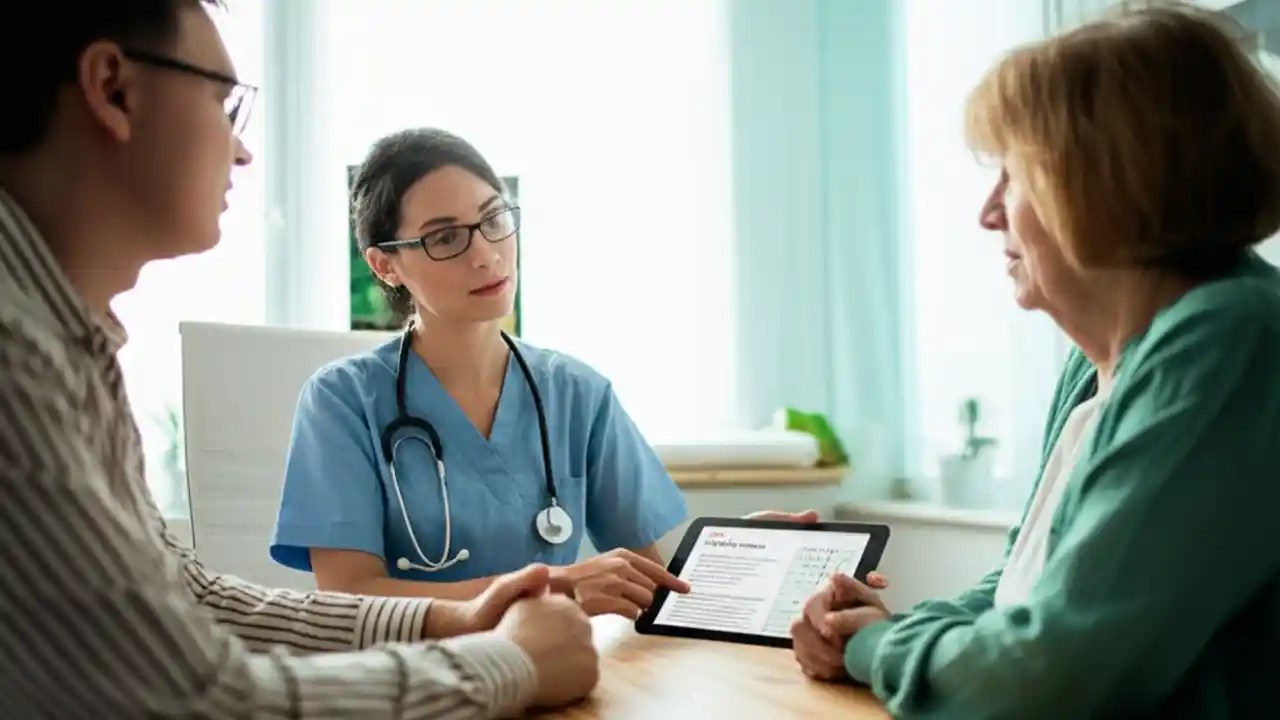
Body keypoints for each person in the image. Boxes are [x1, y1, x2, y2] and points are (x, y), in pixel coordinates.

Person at [0, 2, 600, 717]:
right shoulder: (16, 356)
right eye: (223, 102)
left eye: (492, 220)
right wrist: (509, 662)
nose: (243, 150)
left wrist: (449, 620)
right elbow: (198, 700)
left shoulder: (72, 342)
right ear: (113, 88)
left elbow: (190, 594)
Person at [791, 5, 1280, 718]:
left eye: (1012, 177)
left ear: (1105, 182)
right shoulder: (1094, 370)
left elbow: (1041, 680)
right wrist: (886, 629)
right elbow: (1028, 590)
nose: (990, 214)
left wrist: (879, 648)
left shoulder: (1228, 338)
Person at [268, 126, 816, 618]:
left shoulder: (578, 394)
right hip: (411, 687)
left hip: (552, 679)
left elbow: (653, 583)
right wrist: (555, 588)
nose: (486, 255)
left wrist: (752, 559)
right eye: (444, 237)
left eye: (493, 219)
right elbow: (347, 598)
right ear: (385, 265)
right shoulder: (343, 400)